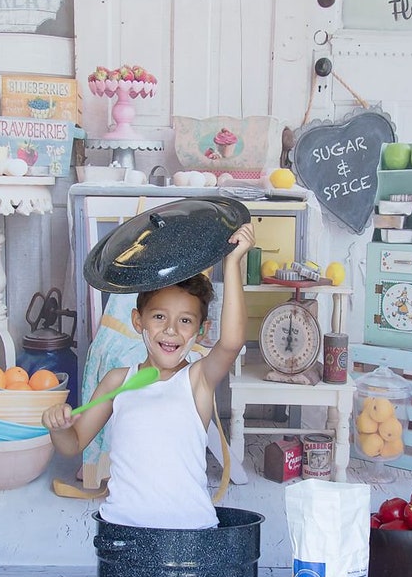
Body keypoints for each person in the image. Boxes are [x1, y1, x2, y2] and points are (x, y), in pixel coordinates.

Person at [42, 223, 255, 529]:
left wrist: (231, 265)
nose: (171, 330)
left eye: (185, 321)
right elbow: (73, 443)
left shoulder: (198, 379)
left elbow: (232, 342)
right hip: (122, 528)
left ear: (201, 330)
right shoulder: (117, 381)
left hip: (190, 530)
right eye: (159, 317)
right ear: (137, 321)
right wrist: (58, 427)